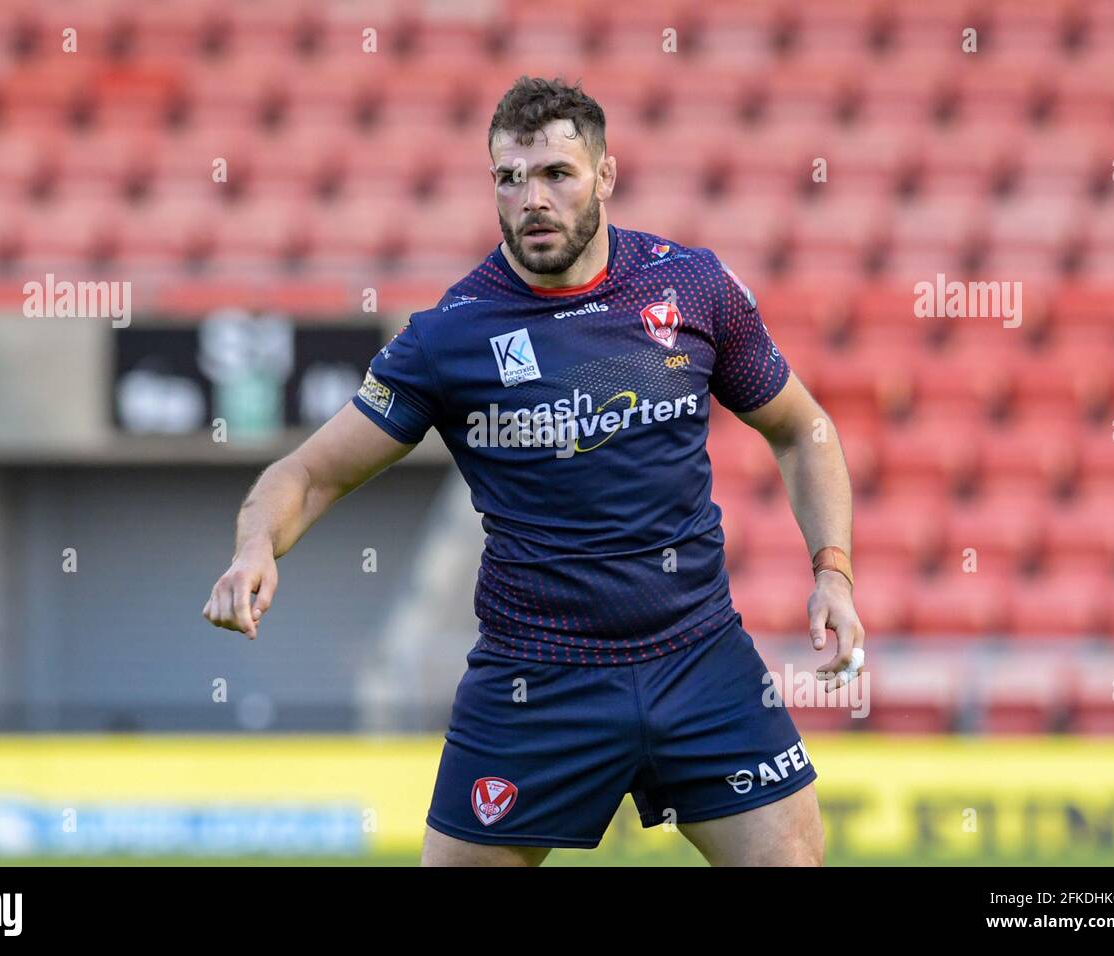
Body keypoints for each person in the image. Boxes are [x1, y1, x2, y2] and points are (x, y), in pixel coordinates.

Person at [203, 76, 863, 866]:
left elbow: (803, 431)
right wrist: (255, 548)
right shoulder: (450, 335)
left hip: (699, 659)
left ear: (606, 177)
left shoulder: (691, 287)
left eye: (557, 173)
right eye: (509, 179)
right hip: (535, 679)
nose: (532, 200)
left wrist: (834, 570)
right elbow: (309, 474)